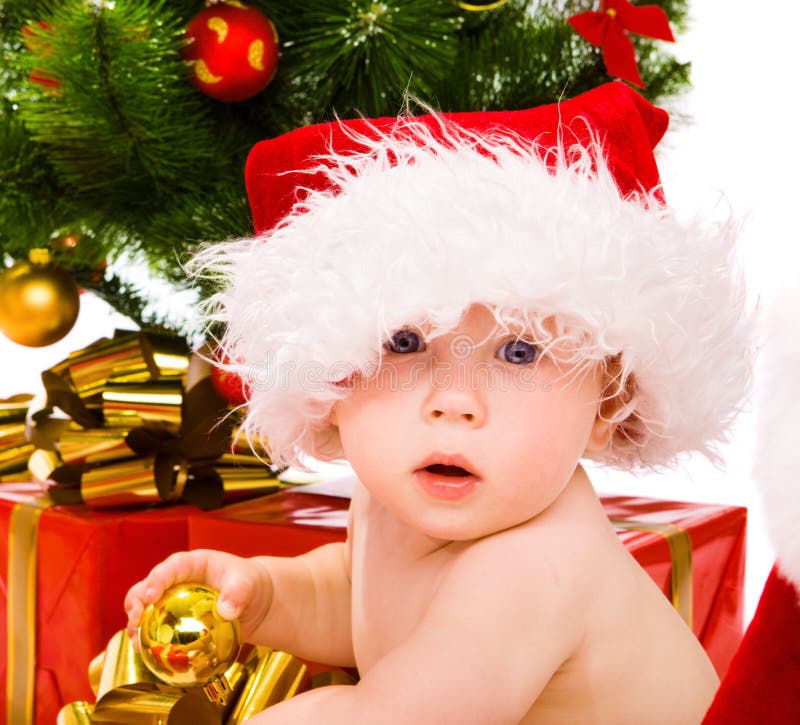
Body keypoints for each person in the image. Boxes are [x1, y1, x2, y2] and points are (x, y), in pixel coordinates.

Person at [125, 83, 750, 723]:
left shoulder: (534, 568)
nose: (454, 401)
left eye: (519, 353)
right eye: (404, 342)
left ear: (607, 404)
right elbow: (361, 598)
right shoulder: (392, 503)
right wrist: (266, 598)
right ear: (330, 383)